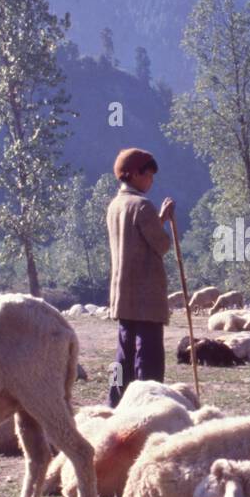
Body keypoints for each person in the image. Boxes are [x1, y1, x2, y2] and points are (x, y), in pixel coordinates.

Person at [105, 148, 175, 408]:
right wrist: (163, 224)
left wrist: (158, 220)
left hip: (124, 295)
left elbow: (136, 238)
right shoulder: (143, 205)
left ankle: (114, 405)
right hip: (146, 297)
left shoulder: (116, 205)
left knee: (124, 355)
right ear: (134, 174)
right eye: (148, 175)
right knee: (149, 357)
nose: (151, 181)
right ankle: (149, 407)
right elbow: (161, 245)